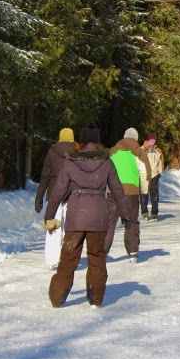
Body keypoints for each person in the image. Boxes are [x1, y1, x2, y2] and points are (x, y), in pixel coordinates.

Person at [43, 126, 128, 308]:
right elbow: (118, 190)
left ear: (80, 142)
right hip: (98, 217)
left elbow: (58, 190)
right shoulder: (107, 162)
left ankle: (57, 297)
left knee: (68, 257)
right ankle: (96, 298)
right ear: (98, 141)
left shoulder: (71, 162)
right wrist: (126, 215)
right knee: (97, 257)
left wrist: (49, 214)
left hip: (76, 217)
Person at [106, 127, 151, 263]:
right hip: (131, 192)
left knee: (109, 222)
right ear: (136, 139)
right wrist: (143, 190)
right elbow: (144, 173)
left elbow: (104, 168)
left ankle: (102, 252)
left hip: (113, 191)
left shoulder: (113, 151)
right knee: (131, 221)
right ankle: (132, 252)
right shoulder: (139, 152)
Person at [36, 127, 76, 269]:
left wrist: (39, 196)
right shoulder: (77, 152)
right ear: (72, 138)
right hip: (72, 193)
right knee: (70, 228)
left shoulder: (52, 153)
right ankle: (67, 258)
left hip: (53, 194)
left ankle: (52, 260)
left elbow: (45, 175)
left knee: (53, 227)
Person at [141, 133, 165, 221]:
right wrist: (144, 147)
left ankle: (155, 212)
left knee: (154, 194)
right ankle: (144, 212)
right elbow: (138, 157)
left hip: (155, 174)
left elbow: (161, 161)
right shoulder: (144, 149)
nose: (152, 141)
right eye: (150, 140)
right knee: (144, 193)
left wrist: (160, 171)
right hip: (144, 174)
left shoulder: (158, 150)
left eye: (153, 140)